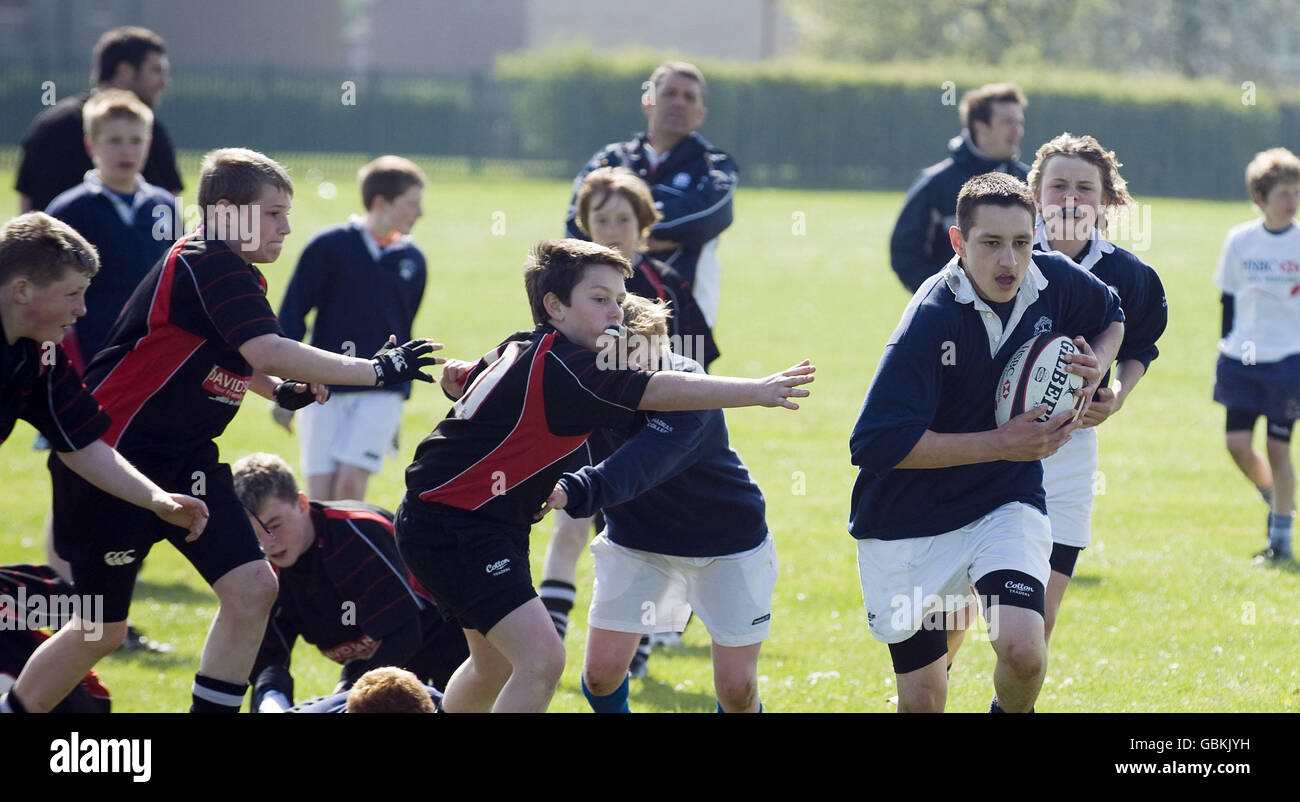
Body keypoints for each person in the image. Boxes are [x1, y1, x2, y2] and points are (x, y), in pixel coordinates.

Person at [4, 149, 442, 714]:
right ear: (229, 212)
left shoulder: (226, 268)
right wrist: (375, 370)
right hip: (116, 461)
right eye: (275, 213)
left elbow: (231, 355)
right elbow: (266, 348)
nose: (287, 227)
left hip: (186, 462)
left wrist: (278, 390)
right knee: (101, 630)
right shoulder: (210, 262)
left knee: (254, 588)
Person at [395, 238, 814, 713]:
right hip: (460, 525)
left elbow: (642, 448)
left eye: (618, 301)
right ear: (555, 306)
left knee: (495, 665)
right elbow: (644, 393)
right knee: (542, 661)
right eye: (600, 300)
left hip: (477, 521)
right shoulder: (581, 371)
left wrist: (464, 378)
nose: (615, 316)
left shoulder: (530, 346)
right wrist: (756, 389)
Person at [850, 173, 1124, 713]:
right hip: (907, 521)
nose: (1009, 261)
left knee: (1025, 649)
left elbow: (1111, 313)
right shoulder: (929, 321)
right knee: (924, 702)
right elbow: (875, 444)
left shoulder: (1053, 279)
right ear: (958, 242)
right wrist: (1000, 442)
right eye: (991, 244)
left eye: (1022, 243)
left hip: (1004, 500)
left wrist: (1096, 370)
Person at [0, 212, 208, 714]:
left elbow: (83, 443)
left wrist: (155, 498)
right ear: (23, 289)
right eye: (72, 293)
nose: (83, 309)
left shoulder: (38, 356)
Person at [537, 294, 774, 713]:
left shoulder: (689, 389)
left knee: (736, 690)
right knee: (600, 674)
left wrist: (572, 491)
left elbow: (639, 465)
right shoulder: (588, 380)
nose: (643, 371)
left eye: (651, 355)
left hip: (728, 544)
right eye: (627, 358)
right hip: (638, 543)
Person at [540, 166, 719, 672]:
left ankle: (634, 653)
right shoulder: (571, 283)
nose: (612, 228)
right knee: (571, 525)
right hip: (584, 426)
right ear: (584, 222)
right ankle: (548, 645)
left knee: (643, 537)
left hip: (648, 434)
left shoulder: (670, 285)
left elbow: (698, 361)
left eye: (623, 218)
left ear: (643, 224)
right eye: (601, 218)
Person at [232, 452, 468, 712]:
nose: (268, 543)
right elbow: (270, 660)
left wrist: (350, 693)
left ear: (301, 503)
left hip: (447, 642)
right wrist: (271, 700)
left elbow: (405, 634)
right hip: (383, 662)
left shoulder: (356, 533)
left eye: (274, 525)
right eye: (253, 534)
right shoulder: (269, 571)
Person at [277, 155, 429, 502]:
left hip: (380, 391)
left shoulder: (413, 260)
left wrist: (400, 396)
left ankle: (348, 556)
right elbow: (292, 315)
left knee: (348, 489)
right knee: (319, 494)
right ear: (381, 202)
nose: (419, 213)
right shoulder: (329, 246)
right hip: (322, 386)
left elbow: (404, 329)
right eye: (412, 204)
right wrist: (285, 387)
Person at [564, 61, 736, 326]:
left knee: (678, 369)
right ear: (648, 102)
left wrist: (628, 233)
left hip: (681, 310)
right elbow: (576, 222)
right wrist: (669, 236)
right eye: (669, 93)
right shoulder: (610, 158)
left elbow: (709, 218)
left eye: (689, 97)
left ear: (701, 113)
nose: (679, 103)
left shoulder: (714, 165)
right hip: (601, 308)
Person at [45, 89, 179, 369]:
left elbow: (177, 279)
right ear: (90, 144)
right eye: (114, 141)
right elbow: (51, 288)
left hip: (152, 349)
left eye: (136, 141)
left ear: (149, 143)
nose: (127, 150)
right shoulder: (68, 210)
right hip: (90, 352)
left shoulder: (165, 205)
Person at [1213, 147, 1300, 563]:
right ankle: (1276, 499)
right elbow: (1227, 300)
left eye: (1297, 192)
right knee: (1236, 444)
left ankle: (1280, 540)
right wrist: (1226, 344)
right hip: (1242, 360)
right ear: (1261, 196)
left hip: (1289, 360)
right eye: (1284, 192)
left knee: (1279, 448)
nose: (1292, 200)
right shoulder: (1240, 240)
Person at [15, 26, 182, 214]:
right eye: (156, 70)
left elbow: (26, 212)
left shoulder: (47, 124)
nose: (164, 82)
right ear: (125, 71)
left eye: (135, 142)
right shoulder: (147, 130)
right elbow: (169, 219)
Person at [890, 82, 1029, 293]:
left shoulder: (1030, 181)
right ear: (981, 127)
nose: (1017, 131)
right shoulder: (935, 184)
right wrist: (945, 296)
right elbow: (905, 253)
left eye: (1019, 122)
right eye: (1008, 122)